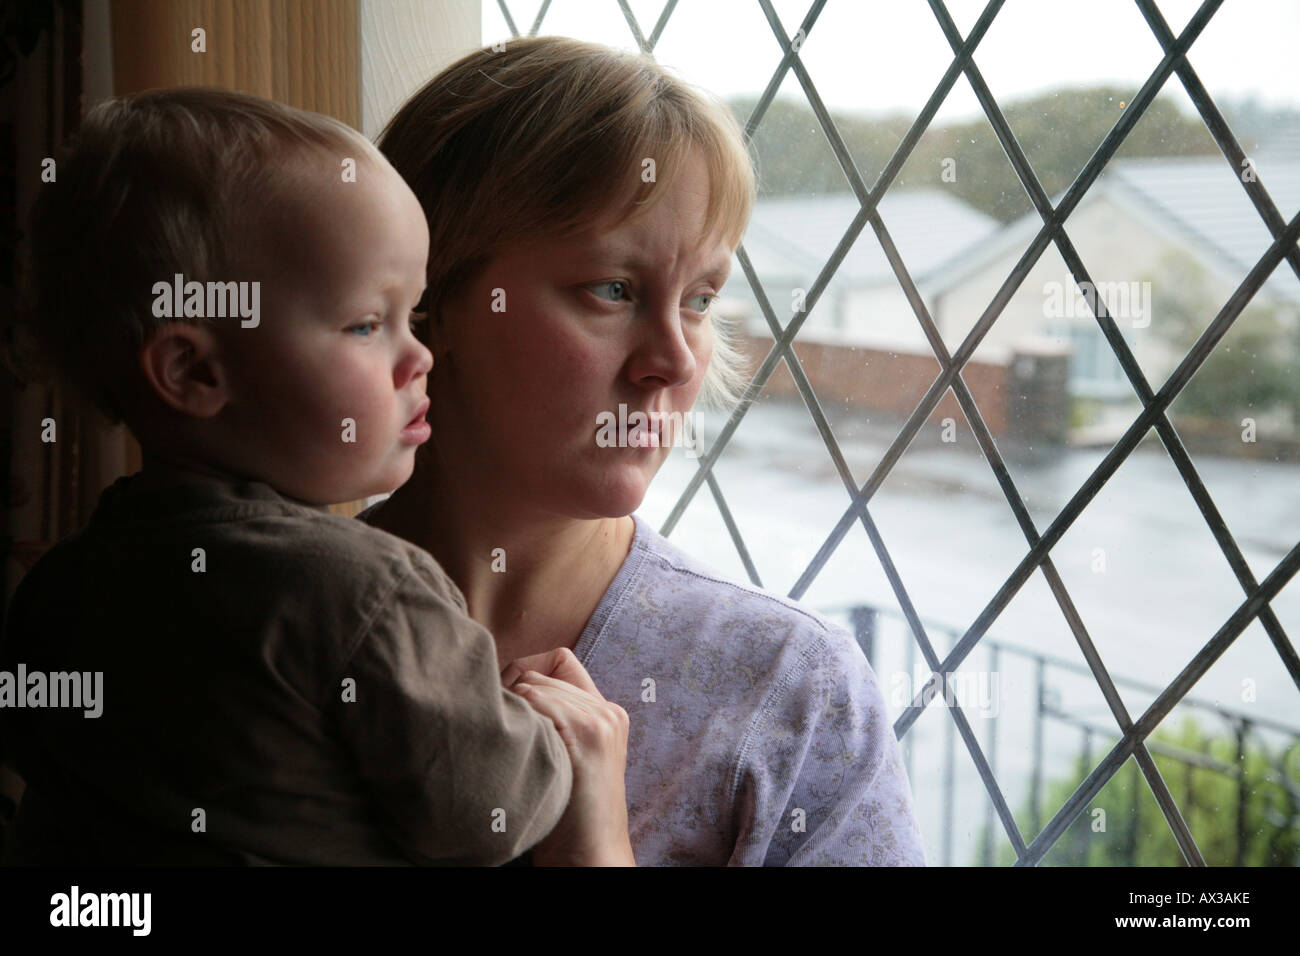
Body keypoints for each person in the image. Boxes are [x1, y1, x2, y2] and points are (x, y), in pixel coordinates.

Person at [0, 87, 632, 866]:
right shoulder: (363, 589)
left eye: (416, 315)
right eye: (368, 324)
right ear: (194, 370)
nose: (419, 357)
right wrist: (556, 739)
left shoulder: (59, 586)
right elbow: (489, 812)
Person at [365, 36, 928, 866]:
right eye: (614, 290)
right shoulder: (248, 620)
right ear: (431, 299)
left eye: (701, 299)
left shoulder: (792, 694)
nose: (674, 359)